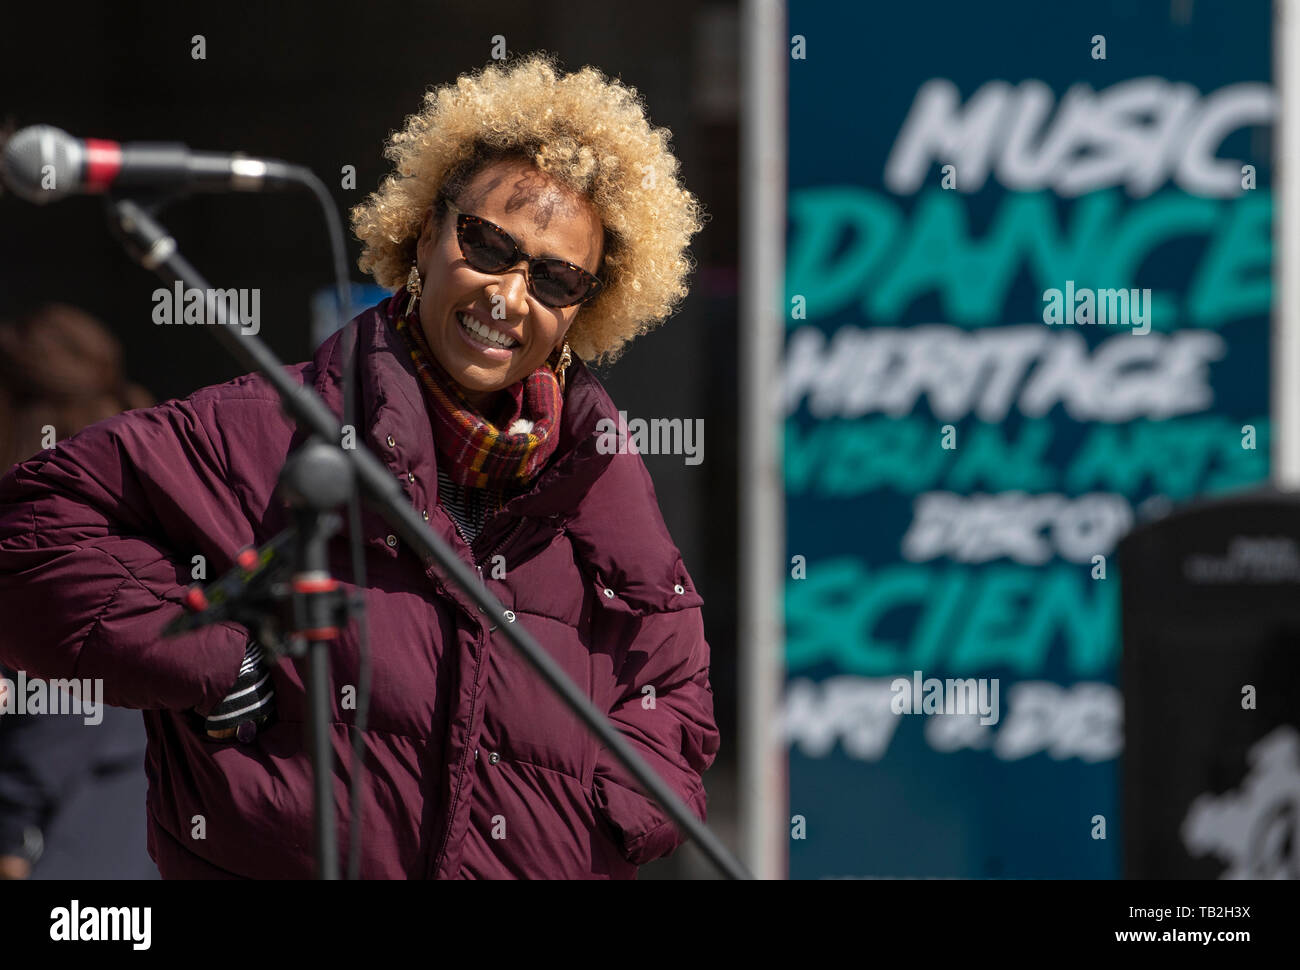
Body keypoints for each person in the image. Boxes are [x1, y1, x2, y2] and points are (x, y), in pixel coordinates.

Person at [0, 52, 717, 878]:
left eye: (556, 279)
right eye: (487, 244)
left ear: (587, 308)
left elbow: (678, 700)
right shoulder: (263, 428)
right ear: (423, 232)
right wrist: (206, 658)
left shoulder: (603, 480)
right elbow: (27, 539)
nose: (509, 296)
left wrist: (601, 822)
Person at [0, 303, 158, 879]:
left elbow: (65, 706)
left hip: (70, 845)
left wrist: (10, 833)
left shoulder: (50, 521)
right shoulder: (150, 489)